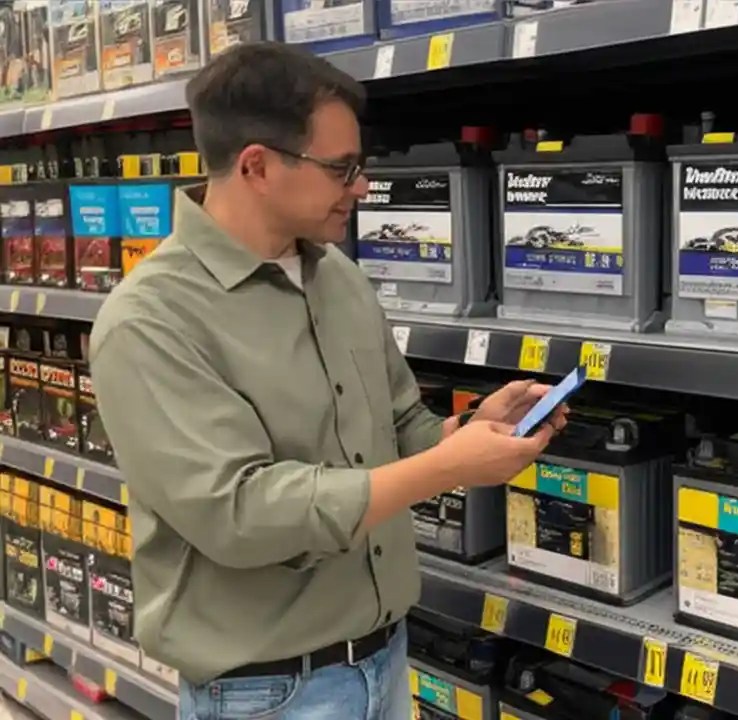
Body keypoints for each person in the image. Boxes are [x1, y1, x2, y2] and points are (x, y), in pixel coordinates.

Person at [88, 41, 567, 719]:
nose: (363, 187)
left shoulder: (335, 275)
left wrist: (473, 429)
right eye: (342, 169)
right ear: (256, 165)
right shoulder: (149, 322)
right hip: (266, 693)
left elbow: (398, 427)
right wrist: (447, 468)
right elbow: (242, 514)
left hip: (383, 658)